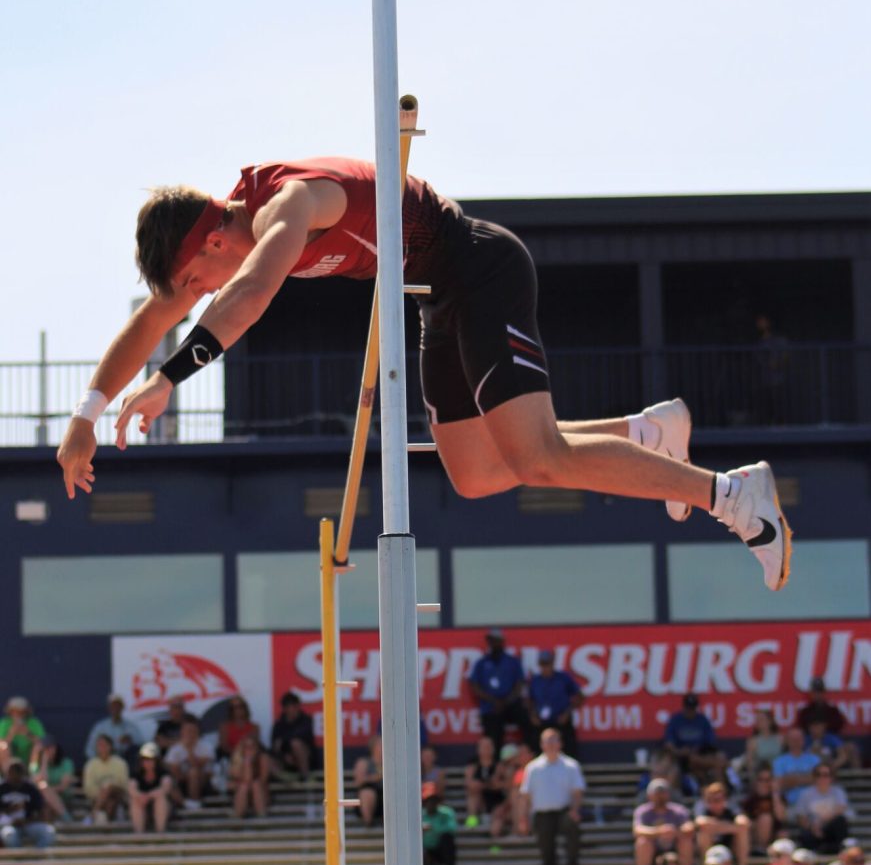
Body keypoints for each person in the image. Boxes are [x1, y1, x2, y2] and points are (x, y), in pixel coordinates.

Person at [55, 158, 793, 595]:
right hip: (438, 296)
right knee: (476, 472)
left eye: (194, 281)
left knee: (538, 457)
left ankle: (732, 494)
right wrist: (86, 416)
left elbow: (249, 296)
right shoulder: (225, 235)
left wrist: (171, 378)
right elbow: (152, 319)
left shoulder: (290, 203)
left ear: (214, 241)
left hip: (481, 268)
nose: (196, 296)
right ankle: (647, 432)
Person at [518, 728, 585, 865]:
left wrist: (575, 810)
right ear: (541, 744)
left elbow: (577, 792)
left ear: (560, 743)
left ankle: (572, 864)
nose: (550, 744)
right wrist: (523, 818)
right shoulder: (533, 768)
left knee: (572, 825)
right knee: (545, 844)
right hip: (542, 814)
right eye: (547, 741)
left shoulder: (571, 765)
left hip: (564, 811)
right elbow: (525, 795)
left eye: (554, 740)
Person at [468, 628, 534, 753]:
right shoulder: (481, 663)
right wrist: (494, 701)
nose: (493, 643)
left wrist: (506, 701)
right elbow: (474, 686)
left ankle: (530, 753)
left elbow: (520, 684)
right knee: (492, 733)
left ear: (502, 642)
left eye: (496, 640)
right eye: (491, 640)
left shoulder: (512, 661)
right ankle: (496, 760)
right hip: (491, 706)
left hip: (511, 703)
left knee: (527, 721)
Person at [633, 777, 695, 865]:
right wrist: (659, 831)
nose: (660, 796)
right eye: (657, 793)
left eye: (663, 793)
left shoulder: (678, 810)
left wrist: (674, 831)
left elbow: (689, 827)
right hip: (653, 848)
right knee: (642, 843)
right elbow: (637, 830)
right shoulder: (642, 811)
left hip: (674, 846)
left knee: (686, 842)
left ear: (668, 794)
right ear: (649, 795)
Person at [527, 649, 582, 757]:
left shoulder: (563, 678)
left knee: (569, 750)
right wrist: (532, 715)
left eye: (547, 664)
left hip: (560, 720)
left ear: (552, 663)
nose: (545, 667)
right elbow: (529, 700)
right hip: (541, 722)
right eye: (542, 664)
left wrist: (567, 713)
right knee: (535, 746)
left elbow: (580, 696)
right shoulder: (535, 681)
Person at [797, 680, 860, 770]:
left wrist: (833, 765)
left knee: (850, 748)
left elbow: (839, 726)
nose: (817, 695)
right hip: (811, 742)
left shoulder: (832, 710)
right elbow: (801, 729)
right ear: (811, 693)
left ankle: (858, 777)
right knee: (814, 748)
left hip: (831, 743)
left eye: (820, 692)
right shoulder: (805, 711)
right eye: (815, 692)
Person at [794, 764, 854, 855]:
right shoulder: (806, 794)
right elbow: (800, 816)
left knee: (840, 821)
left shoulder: (838, 792)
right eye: (818, 775)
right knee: (804, 834)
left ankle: (841, 851)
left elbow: (840, 809)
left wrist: (820, 823)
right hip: (813, 830)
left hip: (830, 830)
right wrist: (812, 827)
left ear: (832, 777)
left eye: (826, 775)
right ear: (814, 777)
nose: (822, 778)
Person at [664, 693, 719, 785]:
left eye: (692, 708)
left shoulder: (702, 720)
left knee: (715, 762)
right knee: (693, 762)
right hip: (679, 757)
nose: (690, 711)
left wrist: (697, 750)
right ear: (684, 707)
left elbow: (710, 742)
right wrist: (679, 751)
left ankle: (712, 787)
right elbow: (669, 743)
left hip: (699, 755)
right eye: (688, 708)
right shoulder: (676, 720)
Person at [0, 759, 56, 849]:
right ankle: (17, 857)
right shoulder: (2, 788)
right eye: (12, 774)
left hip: (29, 824)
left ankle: (38, 856)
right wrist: (11, 811)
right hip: (8, 825)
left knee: (49, 832)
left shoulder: (31, 789)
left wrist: (26, 821)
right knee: (9, 835)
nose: (14, 777)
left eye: (17, 774)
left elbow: (41, 812)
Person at [695, 781, 751, 865]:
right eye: (710, 800)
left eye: (718, 800)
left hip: (729, 844)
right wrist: (731, 827)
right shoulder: (702, 807)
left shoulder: (731, 808)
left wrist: (715, 827)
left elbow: (743, 822)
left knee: (742, 831)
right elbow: (701, 823)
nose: (714, 803)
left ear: (724, 799)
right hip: (710, 845)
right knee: (704, 832)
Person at [165, 718, 215, 810]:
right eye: (187, 730)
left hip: (203, 782)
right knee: (166, 781)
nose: (190, 733)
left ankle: (194, 801)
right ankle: (188, 804)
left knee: (193, 772)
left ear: (198, 731)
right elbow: (173, 771)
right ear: (182, 732)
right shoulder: (175, 749)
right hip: (181, 781)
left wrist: (189, 749)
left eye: (192, 730)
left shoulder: (207, 746)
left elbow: (197, 765)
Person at [84, 694, 144, 768]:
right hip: (105, 763)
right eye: (113, 706)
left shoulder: (130, 727)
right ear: (109, 708)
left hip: (125, 763)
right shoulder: (100, 727)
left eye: (118, 706)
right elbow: (89, 750)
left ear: (122, 707)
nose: (116, 708)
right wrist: (99, 762)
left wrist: (131, 741)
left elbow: (141, 745)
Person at [82, 733, 129, 824]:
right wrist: (103, 793)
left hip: (118, 793)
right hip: (101, 798)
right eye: (99, 745)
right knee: (110, 803)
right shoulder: (90, 765)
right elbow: (88, 788)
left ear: (110, 747)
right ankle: (108, 826)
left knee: (108, 787)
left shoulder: (120, 763)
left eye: (104, 745)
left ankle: (92, 815)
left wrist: (108, 787)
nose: (102, 748)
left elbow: (124, 785)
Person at [128, 742, 173, 833]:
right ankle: (139, 834)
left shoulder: (164, 773)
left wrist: (149, 796)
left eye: (151, 759)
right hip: (142, 806)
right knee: (135, 800)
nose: (148, 762)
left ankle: (160, 832)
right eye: (145, 759)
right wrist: (140, 796)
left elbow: (166, 788)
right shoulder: (136, 774)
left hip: (163, 807)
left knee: (160, 799)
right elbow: (131, 789)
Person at [270, 691, 316, 782]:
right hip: (284, 760)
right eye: (290, 707)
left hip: (307, 759)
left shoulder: (306, 721)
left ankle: (306, 777)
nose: (293, 710)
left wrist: (291, 752)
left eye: (295, 706)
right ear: (285, 708)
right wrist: (284, 756)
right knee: (266, 757)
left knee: (296, 744)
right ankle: (286, 779)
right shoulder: (278, 725)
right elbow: (275, 744)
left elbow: (301, 737)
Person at [773, 729, 820, 817]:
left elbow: (818, 780)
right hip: (790, 805)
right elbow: (780, 784)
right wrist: (807, 778)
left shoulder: (814, 759)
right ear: (787, 741)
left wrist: (791, 779)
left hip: (813, 804)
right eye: (792, 739)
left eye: (798, 739)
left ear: (803, 740)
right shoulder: (779, 761)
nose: (796, 741)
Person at [29, 736, 75, 822]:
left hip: (63, 798)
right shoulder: (34, 766)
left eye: (50, 747)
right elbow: (42, 779)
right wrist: (44, 762)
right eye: (45, 749)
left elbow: (63, 787)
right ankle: (66, 819)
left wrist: (48, 791)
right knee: (44, 795)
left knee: (44, 790)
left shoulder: (66, 763)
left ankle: (65, 820)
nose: (48, 751)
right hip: (43, 800)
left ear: (56, 748)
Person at [742, 766, 786, 854]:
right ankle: (760, 850)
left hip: (774, 834)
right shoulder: (750, 799)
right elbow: (744, 818)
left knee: (783, 834)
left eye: (767, 780)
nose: (764, 783)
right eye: (760, 780)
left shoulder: (778, 797)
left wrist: (775, 793)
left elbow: (781, 817)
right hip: (755, 834)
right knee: (765, 819)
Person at [463, 734, 504, 828]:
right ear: (478, 749)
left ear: (493, 748)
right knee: (473, 793)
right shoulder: (472, 766)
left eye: (489, 746)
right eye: (484, 746)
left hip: (496, 798)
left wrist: (496, 784)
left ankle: (490, 816)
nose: (486, 749)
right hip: (480, 799)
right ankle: (472, 819)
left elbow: (506, 784)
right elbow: (468, 783)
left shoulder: (499, 766)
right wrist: (488, 784)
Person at [421, 780, 460, 865]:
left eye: (434, 800)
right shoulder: (419, 814)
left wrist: (432, 827)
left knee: (447, 838)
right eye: (429, 800)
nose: (431, 803)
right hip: (425, 850)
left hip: (440, 849)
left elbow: (452, 828)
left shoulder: (446, 813)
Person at [228, 733, 271, 818]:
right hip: (243, 794)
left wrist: (249, 763)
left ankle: (261, 816)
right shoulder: (237, 759)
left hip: (261, 793)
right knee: (243, 786)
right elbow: (237, 779)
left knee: (255, 784)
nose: (249, 749)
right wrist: (247, 762)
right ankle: (238, 816)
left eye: (252, 746)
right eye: (246, 746)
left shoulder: (263, 758)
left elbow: (263, 780)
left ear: (257, 748)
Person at [0, 696, 45, 774]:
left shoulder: (34, 723)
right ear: (10, 712)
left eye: (22, 712)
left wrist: (27, 733)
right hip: (10, 759)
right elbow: (1, 742)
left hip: (29, 759)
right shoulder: (4, 723)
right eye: (15, 712)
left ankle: (33, 773)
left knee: (38, 746)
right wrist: (11, 734)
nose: (18, 715)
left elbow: (43, 742)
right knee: (3, 746)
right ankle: (9, 774)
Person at [353, 734, 383, 827]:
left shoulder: (392, 763)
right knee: (367, 793)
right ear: (373, 747)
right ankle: (368, 824)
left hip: (385, 797)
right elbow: (359, 781)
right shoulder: (364, 762)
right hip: (368, 798)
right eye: (381, 744)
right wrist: (376, 777)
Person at [745, 709, 784, 777]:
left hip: (779, 774)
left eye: (762, 719)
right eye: (757, 720)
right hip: (761, 775)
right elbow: (750, 764)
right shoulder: (752, 741)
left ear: (770, 721)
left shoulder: (781, 739)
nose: (759, 722)